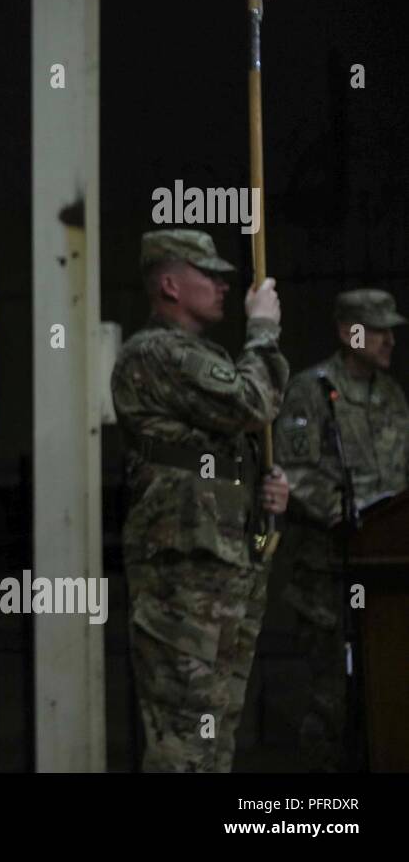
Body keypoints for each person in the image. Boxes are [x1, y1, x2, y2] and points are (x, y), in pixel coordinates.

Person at [111, 228, 290, 772]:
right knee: (186, 738)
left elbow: (226, 442)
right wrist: (262, 331)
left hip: (221, 567)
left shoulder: (198, 354)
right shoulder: (156, 353)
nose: (222, 284)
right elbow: (252, 401)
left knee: (215, 735)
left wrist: (265, 486)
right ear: (169, 284)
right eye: (207, 274)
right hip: (183, 575)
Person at [273, 288, 409, 771]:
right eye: (376, 330)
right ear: (346, 332)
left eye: (391, 329)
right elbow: (294, 471)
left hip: (387, 583)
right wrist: (352, 519)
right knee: (332, 702)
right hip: (328, 576)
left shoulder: (392, 396)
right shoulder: (312, 390)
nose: (389, 340)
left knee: (388, 696)